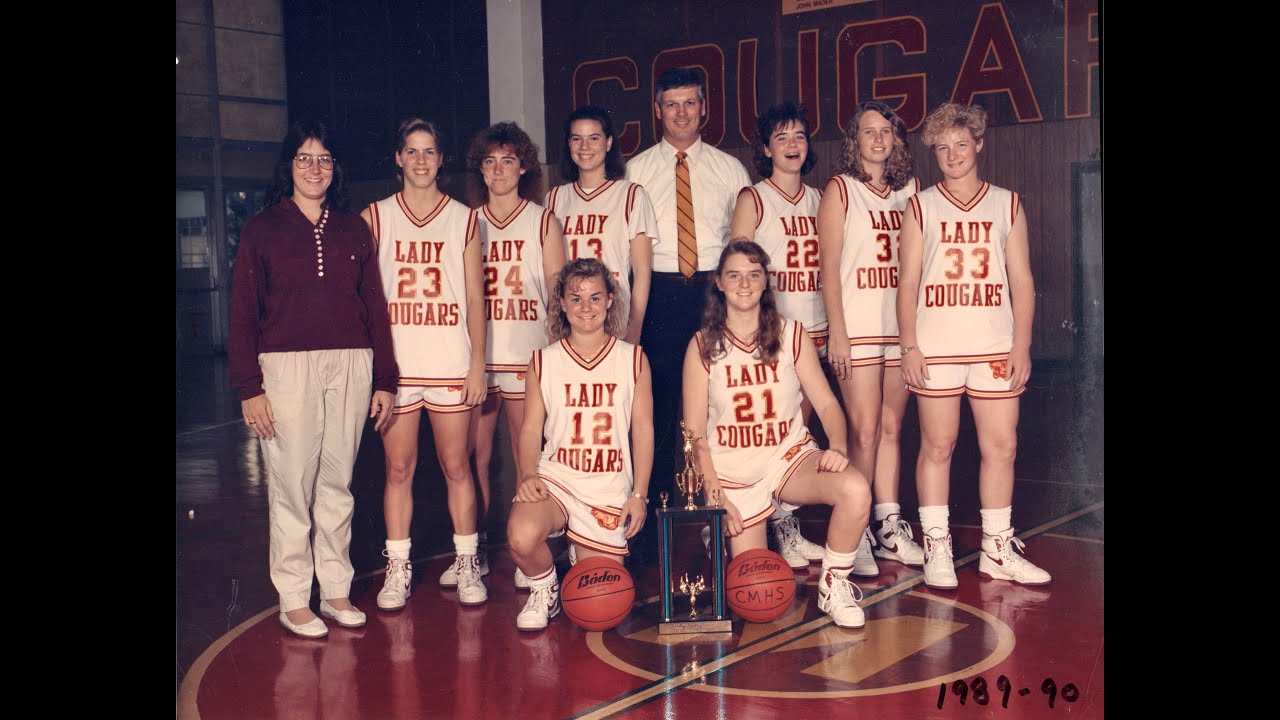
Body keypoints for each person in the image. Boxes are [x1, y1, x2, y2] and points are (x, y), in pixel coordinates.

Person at [228, 120, 399, 638]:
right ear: (289, 167)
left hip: (351, 362)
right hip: (285, 368)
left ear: (335, 169)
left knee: (337, 485)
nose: (315, 168)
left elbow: (374, 304)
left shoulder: (352, 228)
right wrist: (249, 388)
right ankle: (295, 598)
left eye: (323, 159)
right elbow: (242, 312)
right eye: (304, 159)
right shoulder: (263, 229)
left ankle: (337, 591)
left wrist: (385, 379)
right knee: (292, 486)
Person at [896, 103, 1051, 590]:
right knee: (938, 446)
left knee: (1002, 447)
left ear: (979, 144)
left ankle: (996, 549)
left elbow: (1023, 282)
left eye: (961, 144)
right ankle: (936, 545)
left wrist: (1022, 345)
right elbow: (907, 283)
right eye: (941, 147)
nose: (952, 154)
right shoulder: (921, 204)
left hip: (994, 344)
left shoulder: (1007, 203)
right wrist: (909, 346)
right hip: (937, 344)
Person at [681, 240, 871, 628]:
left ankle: (833, 587)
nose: (745, 284)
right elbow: (695, 435)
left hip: (787, 458)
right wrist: (716, 496)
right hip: (734, 471)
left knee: (855, 489)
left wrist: (837, 446)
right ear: (719, 283)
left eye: (754, 275)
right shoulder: (701, 345)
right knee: (754, 591)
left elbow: (828, 404)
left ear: (766, 281)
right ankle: (717, 529)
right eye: (734, 275)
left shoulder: (792, 334)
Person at [361, 118, 488, 610]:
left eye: (429, 151)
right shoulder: (376, 216)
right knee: (398, 468)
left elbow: (476, 300)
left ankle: (467, 563)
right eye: (411, 151)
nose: (420, 160)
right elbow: (367, 298)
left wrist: (478, 364)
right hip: (398, 367)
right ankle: (398, 568)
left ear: (441, 159)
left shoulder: (463, 218)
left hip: (450, 361)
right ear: (398, 158)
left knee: (457, 466)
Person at [625, 67, 751, 549]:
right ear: (657, 110)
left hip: (710, 294)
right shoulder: (634, 172)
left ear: (704, 108)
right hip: (655, 294)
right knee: (652, 411)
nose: (681, 112)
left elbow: (742, 249)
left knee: (715, 409)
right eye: (671, 104)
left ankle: (722, 522)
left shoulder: (729, 169)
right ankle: (649, 526)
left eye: (690, 103)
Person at [507, 258, 654, 630]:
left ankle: (579, 546)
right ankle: (545, 590)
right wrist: (527, 474)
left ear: (609, 301)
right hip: (558, 480)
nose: (585, 308)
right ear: (561, 303)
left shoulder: (632, 358)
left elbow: (644, 429)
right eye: (576, 298)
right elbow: (529, 430)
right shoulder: (543, 361)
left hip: (607, 488)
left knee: (600, 609)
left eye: (594, 298)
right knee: (522, 537)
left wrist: (639, 495)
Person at [816, 101, 927, 579]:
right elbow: (829, 268)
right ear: (854, 141)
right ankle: (855, 529)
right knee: (861, 430)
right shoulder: (840, 189)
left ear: (896, 139)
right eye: (868, 131)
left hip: (898, 325)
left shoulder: (911, 190)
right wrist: (836, 332)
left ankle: (887, 524)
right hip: (858, 326)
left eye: (886, 131)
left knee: (889, 428)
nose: (878, 139)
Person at [727, 101, 828, 570]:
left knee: (795, 439)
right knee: (767, 437)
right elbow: (735, 267)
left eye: (800, 137)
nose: (792, 145)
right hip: (769, 337)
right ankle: (751, 525)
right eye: (781, 138)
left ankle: (786, 529)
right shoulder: (754, 198)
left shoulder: (821, 198)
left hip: (817, 326)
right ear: (766, 148)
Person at [467, 122, 567, 591]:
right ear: (481, 170)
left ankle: (536, 550)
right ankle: (479, 552)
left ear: (523, 166)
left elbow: (556, 294)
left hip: (529, 355)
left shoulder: (542, 219)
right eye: (490, 161)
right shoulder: (468, 221)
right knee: (474, 458)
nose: (499, 170)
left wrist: (555, 358)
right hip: (481, 358)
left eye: (508, 160)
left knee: (529, 457)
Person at [547, 104, 657, 344]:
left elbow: (641, 271)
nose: (585, 147)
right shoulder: (554, 198)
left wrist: (634, 330)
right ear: (569, 144)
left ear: (608, 143)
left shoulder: (631, 195)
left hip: (613, 316)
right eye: (577, 138)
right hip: (570, 318)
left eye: (593, 138)